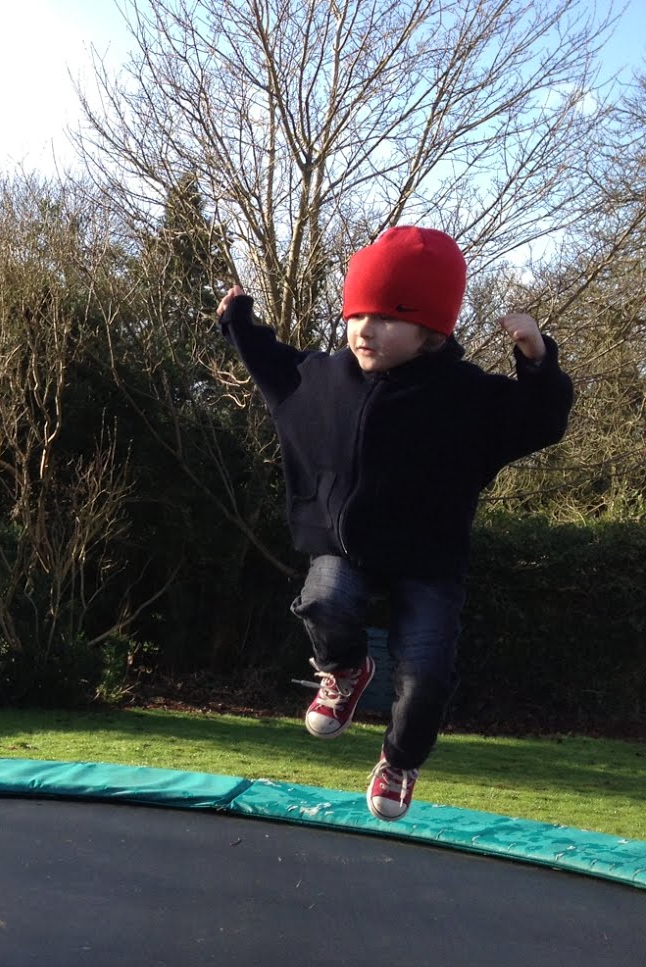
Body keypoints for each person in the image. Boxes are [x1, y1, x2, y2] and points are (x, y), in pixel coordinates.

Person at [216, 226, 572, 820]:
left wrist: (537, 361)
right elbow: (274, 367)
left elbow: (540, 420)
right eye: (357, 314)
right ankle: (345, 670)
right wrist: (238, 322)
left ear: (430, 331)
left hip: (428, 562)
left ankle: (400, 760)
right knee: (323, 599)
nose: (365, 329)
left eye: (385, 318)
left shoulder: (467, 397)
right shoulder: (326, 378)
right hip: (347, 547)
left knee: (428, 673)